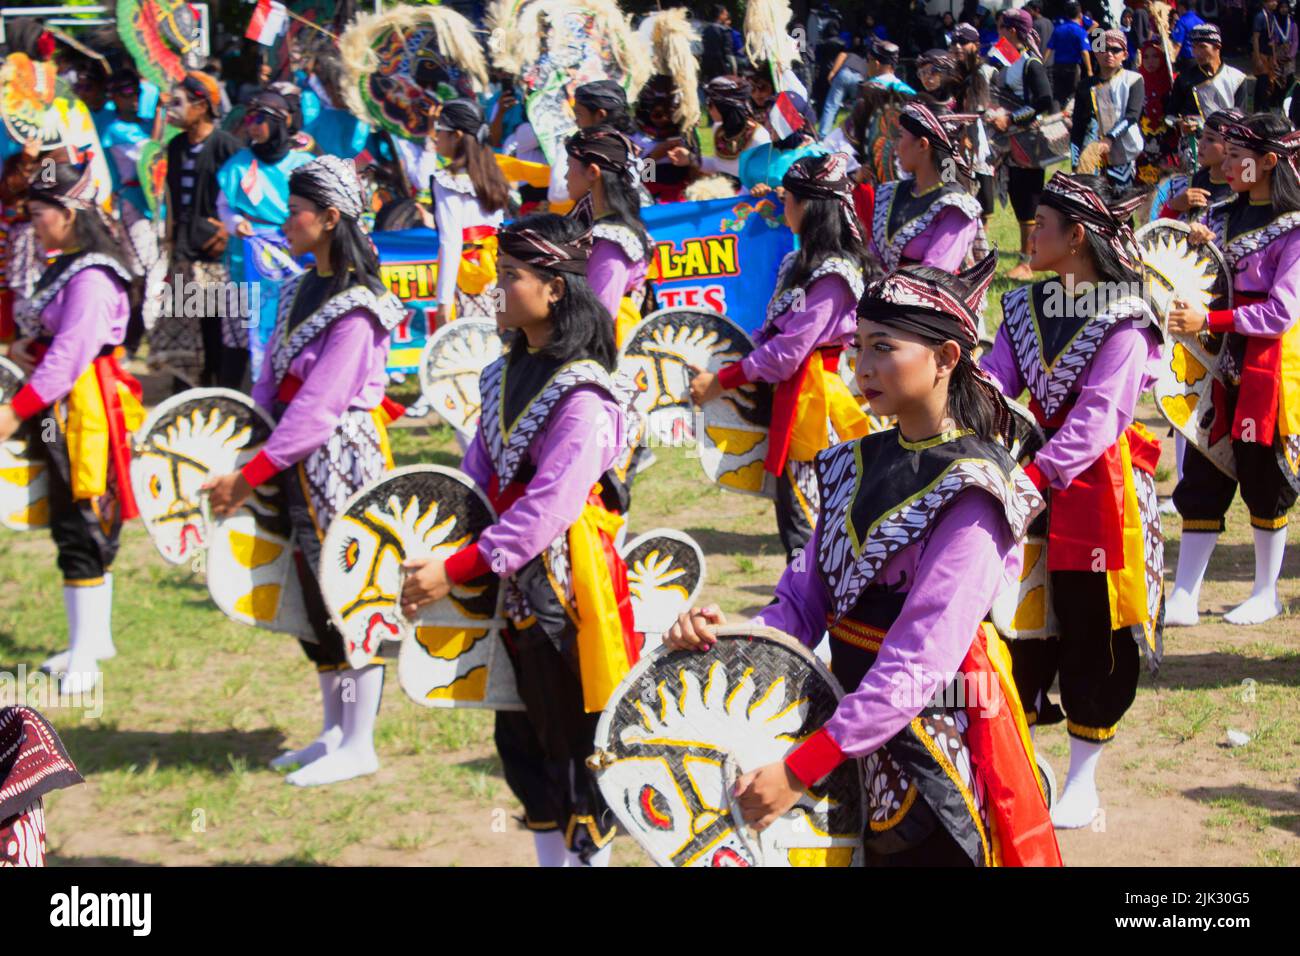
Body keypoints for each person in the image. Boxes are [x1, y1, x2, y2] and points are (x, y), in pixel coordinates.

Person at [666, 255, 1062, 868]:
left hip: (930, 734)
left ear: (946, 358)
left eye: (883, 347)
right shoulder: (856, 462)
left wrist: (804, 766)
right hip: (841, 718)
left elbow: (917, 661)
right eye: (857, 346)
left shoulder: (976, 489)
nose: (863, 366)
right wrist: (734, 641)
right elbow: (801, 600)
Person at [399, 213, 638, 867]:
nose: (494, 290)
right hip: (506, 572)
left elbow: (550, 507)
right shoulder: (503, 375)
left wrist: (459, 566)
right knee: (520, 736)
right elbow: (478, 472)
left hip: (566, 584)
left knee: (574, 743)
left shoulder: (585, 392)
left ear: (554, 288)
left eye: (509, 277)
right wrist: (445, 544)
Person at [202, 155, 406, 786]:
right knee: (312, 602)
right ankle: (333, 733)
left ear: (330, 218)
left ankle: (360, 742)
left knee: (348, 595)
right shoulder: (296, 288)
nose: (284, 220)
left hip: (340, 462)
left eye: (294, 211)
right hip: (289, 458)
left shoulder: (362, 304)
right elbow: (269, 381)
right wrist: (246, 444)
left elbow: (319, 408)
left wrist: (250, 472)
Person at [981, 172, 1165, 830]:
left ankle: (1084, 780)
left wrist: (1036, 472)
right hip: (1030, 474)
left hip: (1096, 489)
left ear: (1077, 237)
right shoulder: (1026, 308)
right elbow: (994, 384)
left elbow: (1099, 418)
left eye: (1041, 225)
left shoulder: (1126, 318)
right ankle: (1022, 759)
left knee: (1095, 627)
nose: (1029, 236)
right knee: (1021, 618)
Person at [0, 163, 143, 695]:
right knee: (71, 514)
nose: (34, 224)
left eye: (40, 214)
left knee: (84, 517)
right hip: (64, 407)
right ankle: (91, 640)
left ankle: (87, 654)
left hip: (84, 410)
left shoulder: (92, 274)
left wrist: (15, 409)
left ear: (68, 214)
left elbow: (70, 355)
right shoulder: (69, 266)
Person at [689, 153, 872, 560]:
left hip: (817, 404)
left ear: (808, 206)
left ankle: (809, 607)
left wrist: (722, 380)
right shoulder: (796, 262)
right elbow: (769, 334)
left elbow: (789, 352)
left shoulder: (834, 275)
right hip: (791, 394)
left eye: (788, 197)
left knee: (808, 517)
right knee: (793, 511)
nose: (782, 205)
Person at [1165, 113, 1300, 627]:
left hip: (1266, 368)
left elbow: (1282, 312)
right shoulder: (1219, 217)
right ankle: (1184, 593)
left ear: (1268, 161)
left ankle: (1266, 590)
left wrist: (1214, 317)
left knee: (1263, 473)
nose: (1225, 160)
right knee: (1203, 465)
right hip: (1212, 360)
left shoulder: (1295, 230)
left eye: (1239, 154)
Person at [215, 89, 315, 388]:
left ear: (280, 122)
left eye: (259, 118)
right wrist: (235, 222)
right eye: (248, 118)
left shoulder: (301, 163)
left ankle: (286, 390)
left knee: (288, 323)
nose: (251, 125)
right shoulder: (239, 164)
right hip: (246, 255)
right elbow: (223, 205)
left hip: (291, 253)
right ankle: (232, 393)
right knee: (239, 330)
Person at [156, 72, 239, 390]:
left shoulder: (226, 146)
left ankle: (218, 386)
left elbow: (241, 194)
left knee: (213, 322)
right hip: (183, 248)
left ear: (201, 106)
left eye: (179, 103)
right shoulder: (175, 147)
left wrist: (227, 231)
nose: (173, 110)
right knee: (184, 320)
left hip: (215, 250)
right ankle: (186, 387)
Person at [867, 103, 983, 274]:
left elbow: (935, 273)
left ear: (922, 144)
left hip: (926, 297)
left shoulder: (955, 207)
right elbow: (872, 256)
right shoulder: (891, 193)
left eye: (900, 136)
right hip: (882, 294)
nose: (895, 146)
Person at [564, 126, 653, 347]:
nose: (565, 176)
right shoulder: (599, 230)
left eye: (569, 167)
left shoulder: (611, 241)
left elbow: (599, 317)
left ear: (593, 172)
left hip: (598, 355)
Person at [428, 99, 509, 326]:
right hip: (497, 277)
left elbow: (451, 241)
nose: (436, 136)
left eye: (440, 130)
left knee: (471, 351)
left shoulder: (446, 181)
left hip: (468, 278)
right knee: (499, 337)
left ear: (457, 136)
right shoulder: (493, 175)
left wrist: (444, 303)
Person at [990, 8, 1054, 281]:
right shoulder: (1008, 63)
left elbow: (1044, 101)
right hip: (1011, 144)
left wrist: (1012, 117)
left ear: (1012, 31)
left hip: (1027, 143)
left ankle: (1027, 262)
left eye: (1002, 27)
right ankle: (1024, 258)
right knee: (1018, 199)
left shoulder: (1031, 64)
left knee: (1029, 201)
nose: (999, 32)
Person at [1069, 29, 1145, 189]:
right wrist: (1076, 161)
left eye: (1115, 50)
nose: (1109, 54)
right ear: (1096, 53)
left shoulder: (1133, 80)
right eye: (1103, 49)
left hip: (1123, 152)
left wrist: (1109, 139)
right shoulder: (1085, 86)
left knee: (1121, 206)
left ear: (1124, 54)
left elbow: (1132, 115)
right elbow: (1078, 126)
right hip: (1091, 154)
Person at [1166, 25, 1249, 151]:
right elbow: (1170, 115)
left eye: (1202, 47)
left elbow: (1240, 119)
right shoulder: (1184, 79)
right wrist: (1180, 123)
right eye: (1194, 47)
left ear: (1217, 47)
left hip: (1226, 145)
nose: (1196, 53)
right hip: (1193, 145)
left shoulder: (1236, 78)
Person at [699, 76, 772, 181]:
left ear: (724, 106)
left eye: (710, 103)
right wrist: (690, 159)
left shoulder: (759, 138)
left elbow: (765, 179)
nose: (707, 108)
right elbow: (717, 166)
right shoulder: (718, 130)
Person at [1046, 2, 1093, 111]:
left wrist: (1043, 63)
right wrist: (1090, 70)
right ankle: (1069, 116)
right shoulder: (1080, 31)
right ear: (1080, 14)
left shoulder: (1058, 29)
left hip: (1057, 66)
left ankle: (1055, 118)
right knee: (1073, 94)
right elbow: (1084, 52)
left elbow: (1049, 48)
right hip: (1073, 67)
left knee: (1057, 95)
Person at [819, 44, 870, 136]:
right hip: (859, 79)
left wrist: (833, 72)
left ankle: (823, 136)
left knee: (831, 106)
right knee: (856, 109)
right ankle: (853, 135)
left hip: (844, 73)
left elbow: (842, 55)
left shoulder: (850, 54)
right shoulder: (867, 63)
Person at [701, 4, 738, 82]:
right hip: (723, 70)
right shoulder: (725, 31)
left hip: (708, 70)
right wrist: (734, 71)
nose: (726, 17)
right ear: (719, 15)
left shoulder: (705, 30)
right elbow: (728, 54)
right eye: (725, 15)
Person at [1171, 0, 1207, 64]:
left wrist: (1171, 60)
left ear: (1181, 7)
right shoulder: (1201, 21)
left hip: (1187, 60)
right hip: (1200, 57)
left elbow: (1177, 44)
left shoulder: (1181, 22)